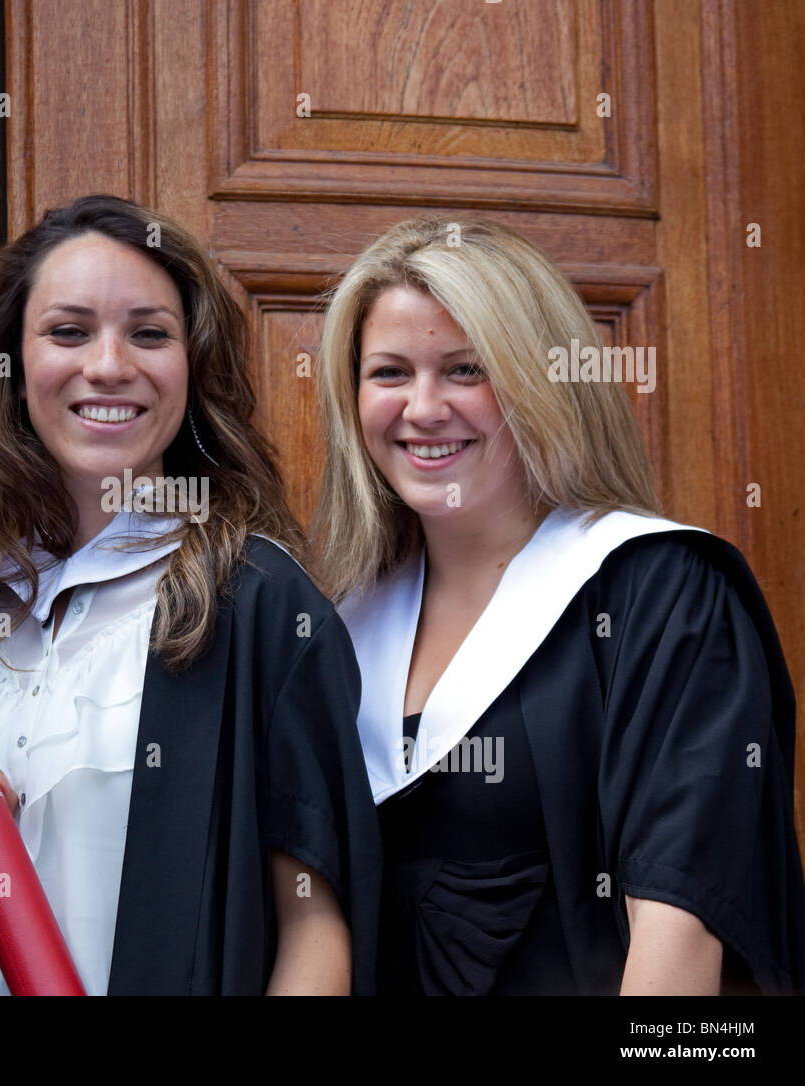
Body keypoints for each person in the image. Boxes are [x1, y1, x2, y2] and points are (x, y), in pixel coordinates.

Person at [0, 194, 380, 995]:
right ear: (13, 366)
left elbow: (315, 928)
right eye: (68, 331)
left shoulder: (257, 608)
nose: (109, 365)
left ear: (194, 367)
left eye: (149, 333)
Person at [311, 215, 805, 995]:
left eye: (467, 369)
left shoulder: (659, 591)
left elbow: (684, 921)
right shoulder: (335, 630)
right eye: (390, 372)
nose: (425, 407)